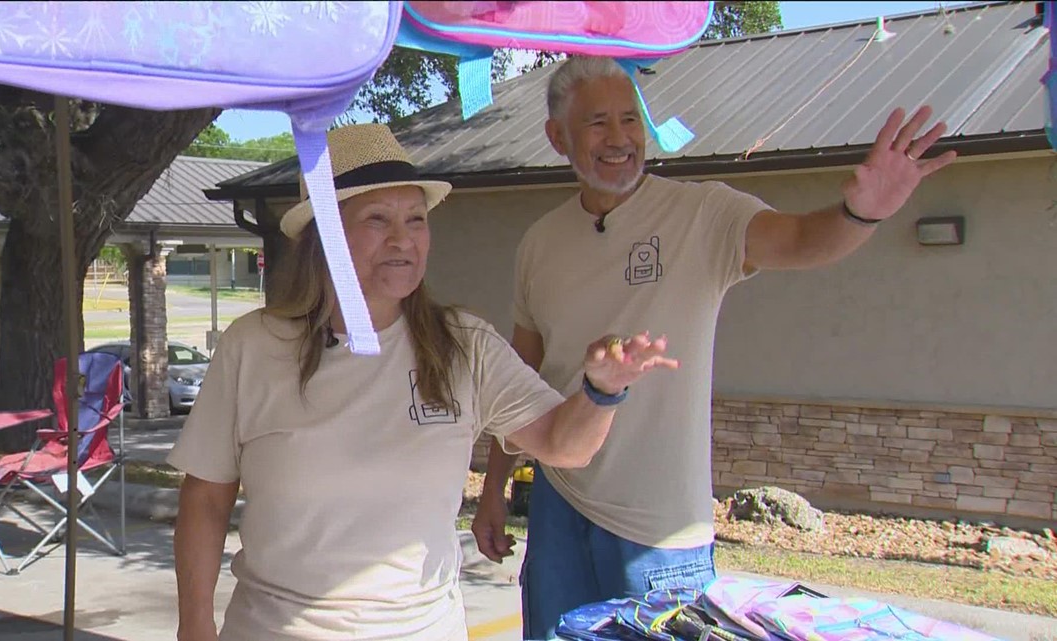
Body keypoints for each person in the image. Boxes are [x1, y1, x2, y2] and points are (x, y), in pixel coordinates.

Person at [469, 56, 958, 640]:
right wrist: (493, 489)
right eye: (598, 123)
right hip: (559, 504)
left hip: (660, 532)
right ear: (558, 137)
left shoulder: (702, 213)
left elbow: (802, 238)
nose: (620, 139)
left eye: (630, 120)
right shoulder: (540, 242)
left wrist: (862, 212)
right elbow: (522, 378)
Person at [167, 123, 681, 641]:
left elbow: (565, 446)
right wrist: (195, 625)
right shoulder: (253, 346)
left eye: (416, 219)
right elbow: (205, 499)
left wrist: (602, 391)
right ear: (325, 235)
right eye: (378, 219)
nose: (403, 238)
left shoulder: (465, 345)